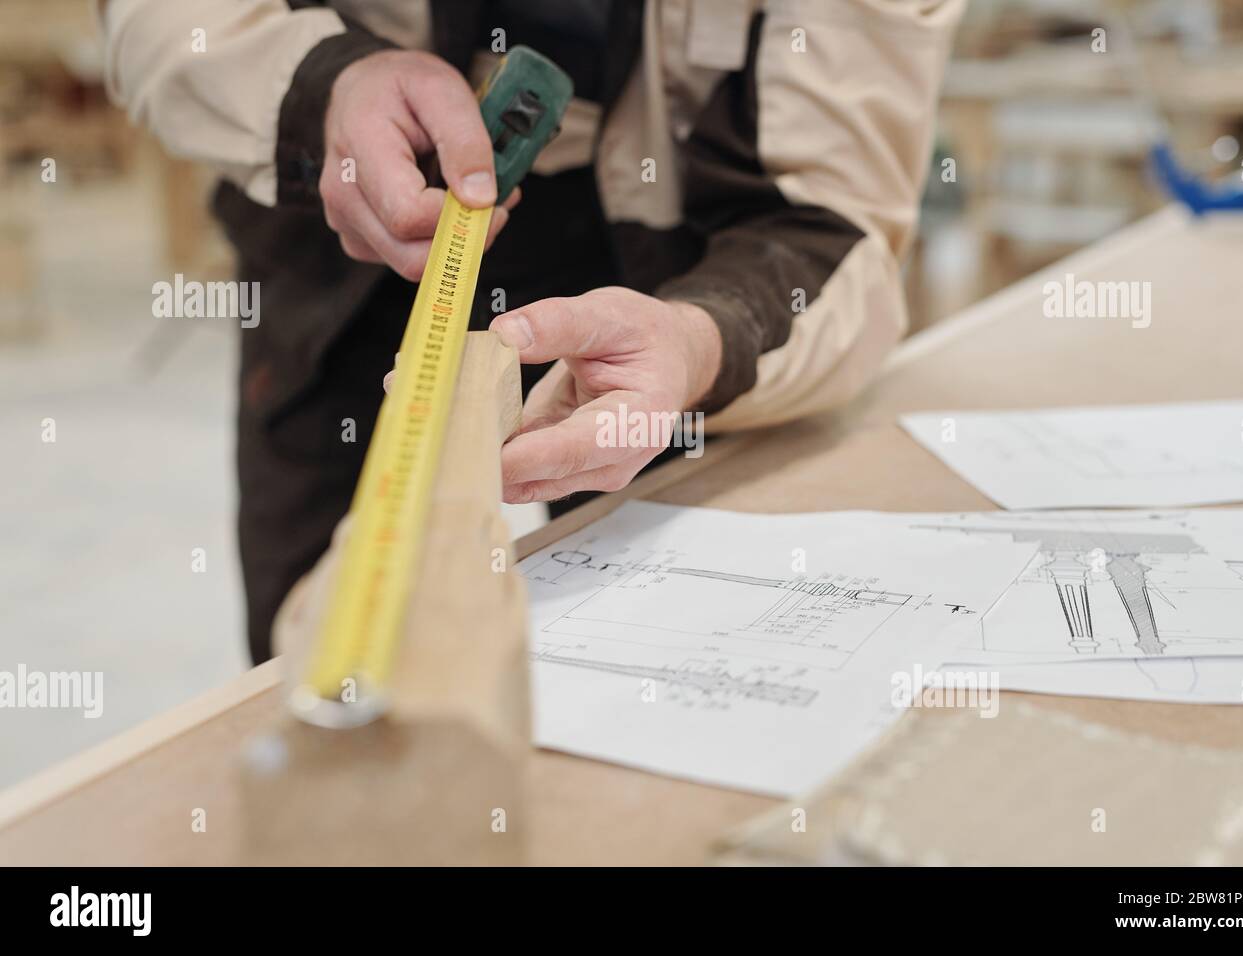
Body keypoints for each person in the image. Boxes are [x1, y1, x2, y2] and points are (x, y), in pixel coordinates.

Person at [99, 0, 962, 663]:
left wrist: (702, 341)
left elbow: (834, 220)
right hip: (345, 212)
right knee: (327, 661)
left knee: (663, 657)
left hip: (677, 259)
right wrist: (318, 87)